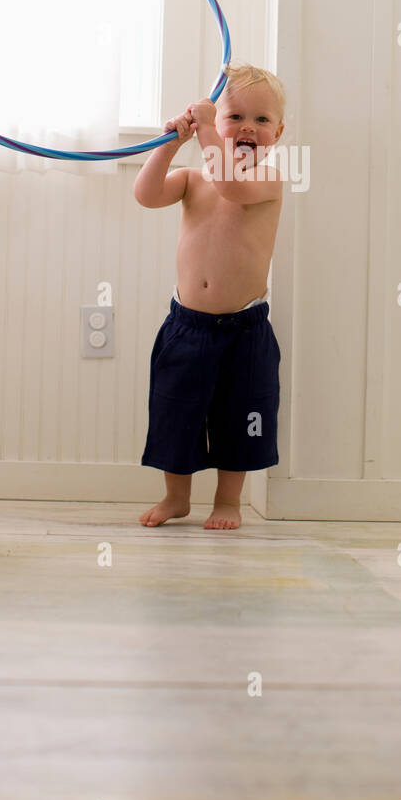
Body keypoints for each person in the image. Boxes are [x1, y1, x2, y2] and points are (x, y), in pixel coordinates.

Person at [134, 63, 286, 530]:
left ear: (278, 133)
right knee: (175, 410)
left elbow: (231, 186)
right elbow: (146, 195)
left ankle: (228, 501)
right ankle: (176, 497)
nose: (248, 127)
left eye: (261, 120)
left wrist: (205, 135)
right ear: (216, 123)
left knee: (240, 415)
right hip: (187, 324)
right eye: (235, 116)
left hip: (244, 328)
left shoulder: (266, 179)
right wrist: (170, 145)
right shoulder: (192, 179)